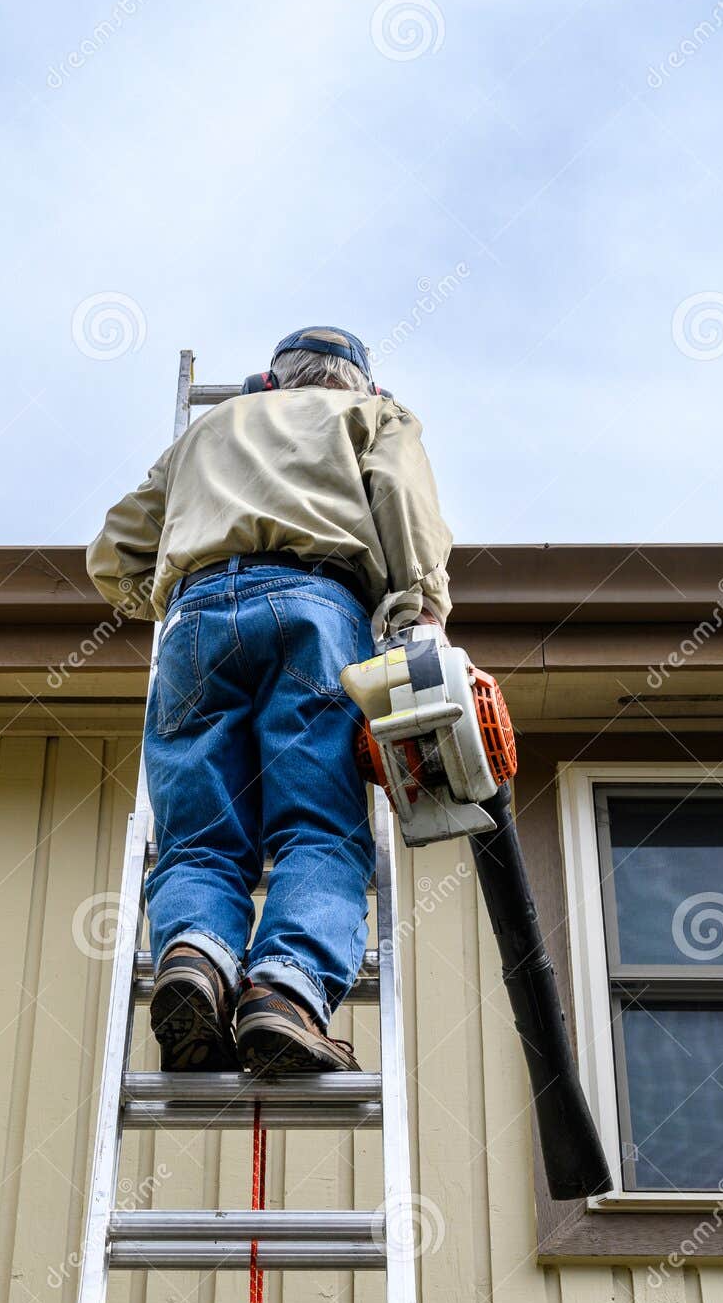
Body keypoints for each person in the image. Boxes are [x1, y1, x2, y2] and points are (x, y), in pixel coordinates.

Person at [87, 326, 452, 1074]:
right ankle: (283, 991)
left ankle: (195, 956)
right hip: (315, 607)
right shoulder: (374, 416)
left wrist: (163, 595)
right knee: (317, 828)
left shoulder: (208, 431)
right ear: (358, 380)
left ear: (268, 379)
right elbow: (404, 503)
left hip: (193, 621)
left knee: (196, 836)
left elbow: (112, 550)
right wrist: (420, 609)